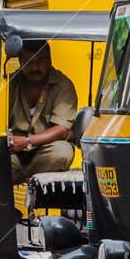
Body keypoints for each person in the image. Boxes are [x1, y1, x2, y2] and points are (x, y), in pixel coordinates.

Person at [7, 42, 80, 183]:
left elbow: (62, 130)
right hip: (13, 151)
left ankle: (23, 175)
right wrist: (10, 140)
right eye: (29, 61)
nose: (35, 67)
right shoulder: (9, 84)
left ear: (50, 60)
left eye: (40, 61)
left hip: (44, 151)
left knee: (62, 152)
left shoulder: (63, 86)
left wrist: (27, 142)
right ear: (20, 62)